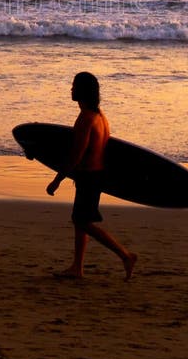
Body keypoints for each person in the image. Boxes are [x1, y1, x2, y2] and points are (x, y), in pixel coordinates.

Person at [46, 72, 137, 280]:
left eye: (74, 86)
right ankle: (77, 267)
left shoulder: (87, 119)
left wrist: (56, 181)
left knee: (83, 223)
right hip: (95, 176)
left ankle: (125, 255)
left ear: (83, 91)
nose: (71, 89)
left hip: (89, 178)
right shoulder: (100, 116)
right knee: (80, 221)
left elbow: (76, 157)